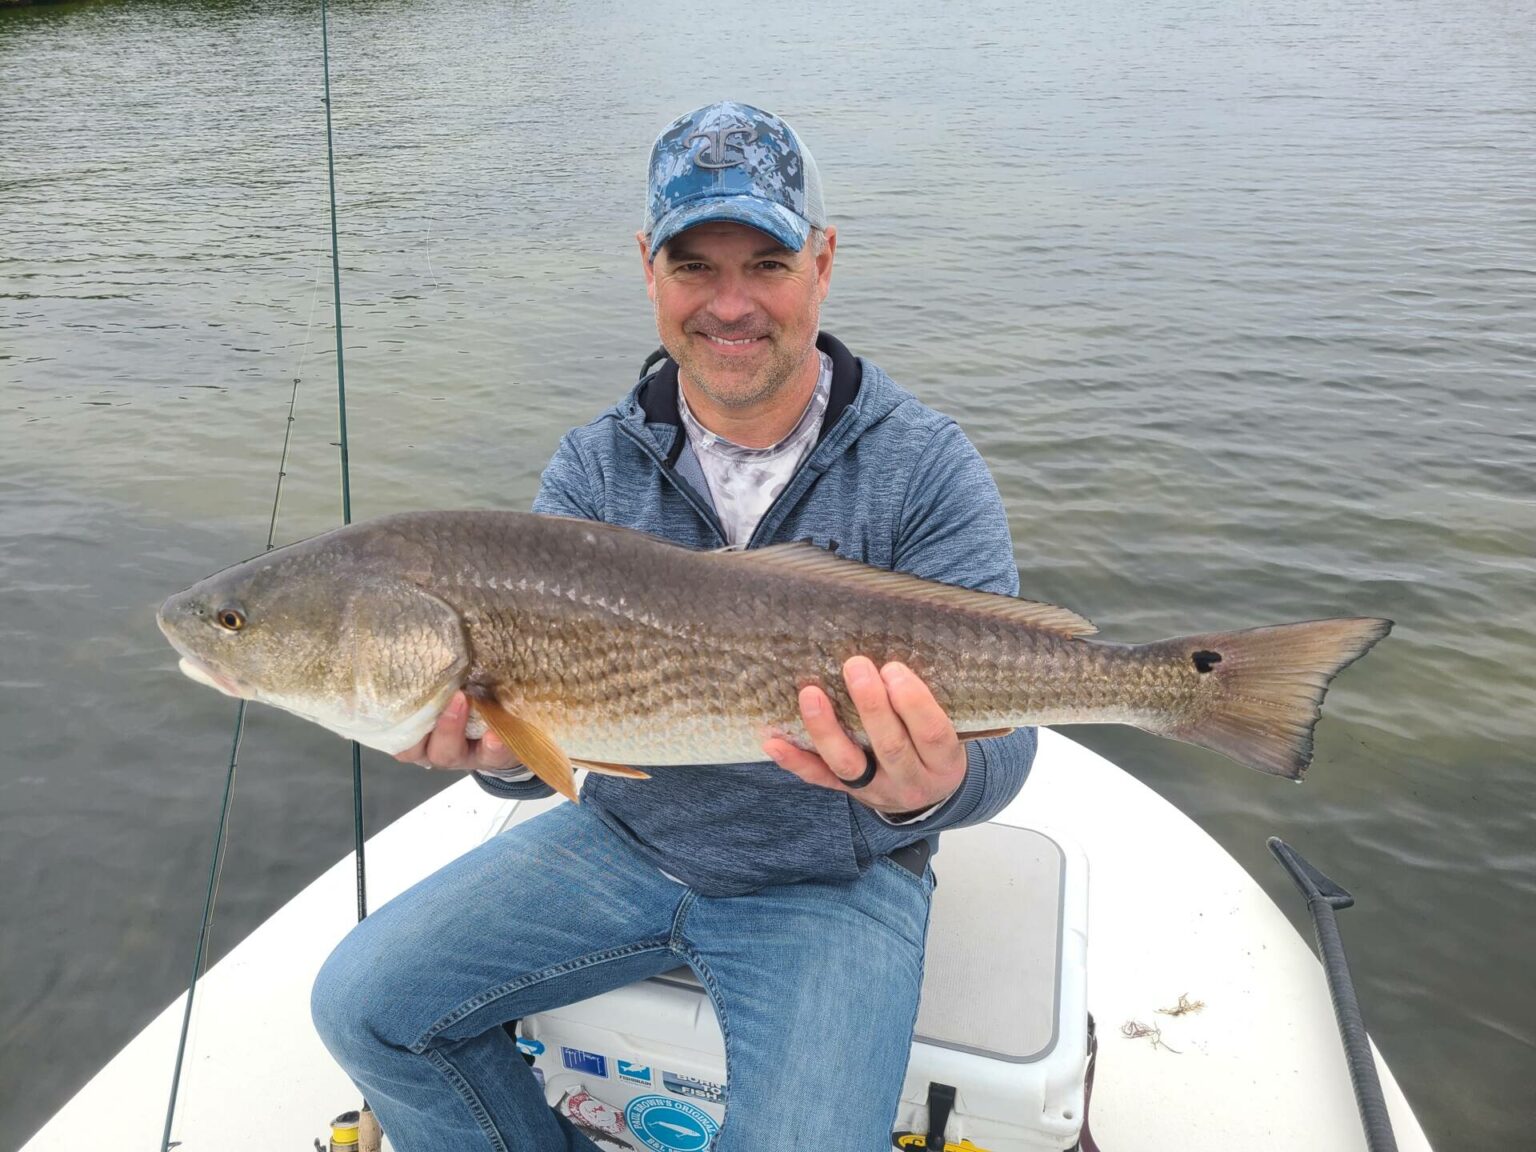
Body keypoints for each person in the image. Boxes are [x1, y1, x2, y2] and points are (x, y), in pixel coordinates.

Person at [311, 100, 1037, 1151]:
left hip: (834, 881)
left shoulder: (924, 468)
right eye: (696, 265)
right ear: (648, 270)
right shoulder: (593, 466)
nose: (731, 304)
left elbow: (1007, 754)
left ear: (823, 264)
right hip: (627, 843)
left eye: (768, 263)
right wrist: (484, 751)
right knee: (363, 1006)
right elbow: (538, 748)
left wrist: (935, 789)